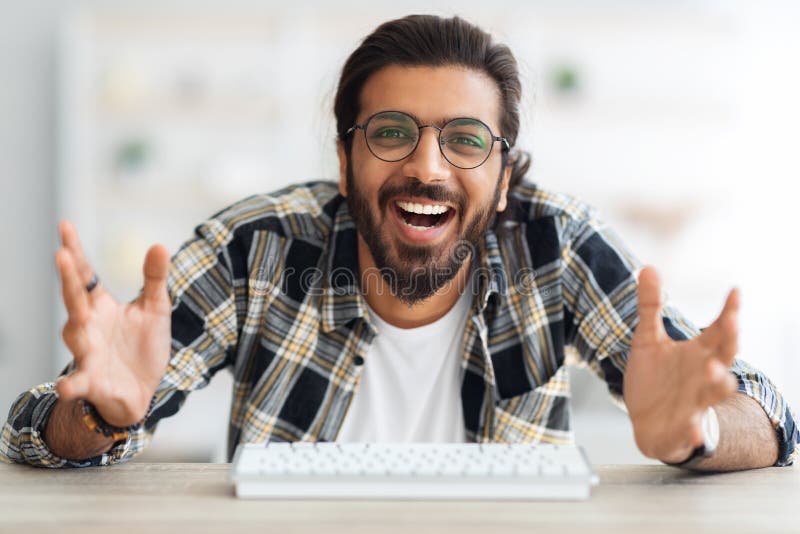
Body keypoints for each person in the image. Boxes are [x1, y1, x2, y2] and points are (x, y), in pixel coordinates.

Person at [1, 14, 796, 470]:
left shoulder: (556, 244)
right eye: (390, 133)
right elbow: (32, 430)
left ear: (504, 177)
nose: (427, 167)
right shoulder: (259, 248)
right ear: (344, 159)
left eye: (464, 140)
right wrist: (100, 414)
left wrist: (700, 432)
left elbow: (770, 419)